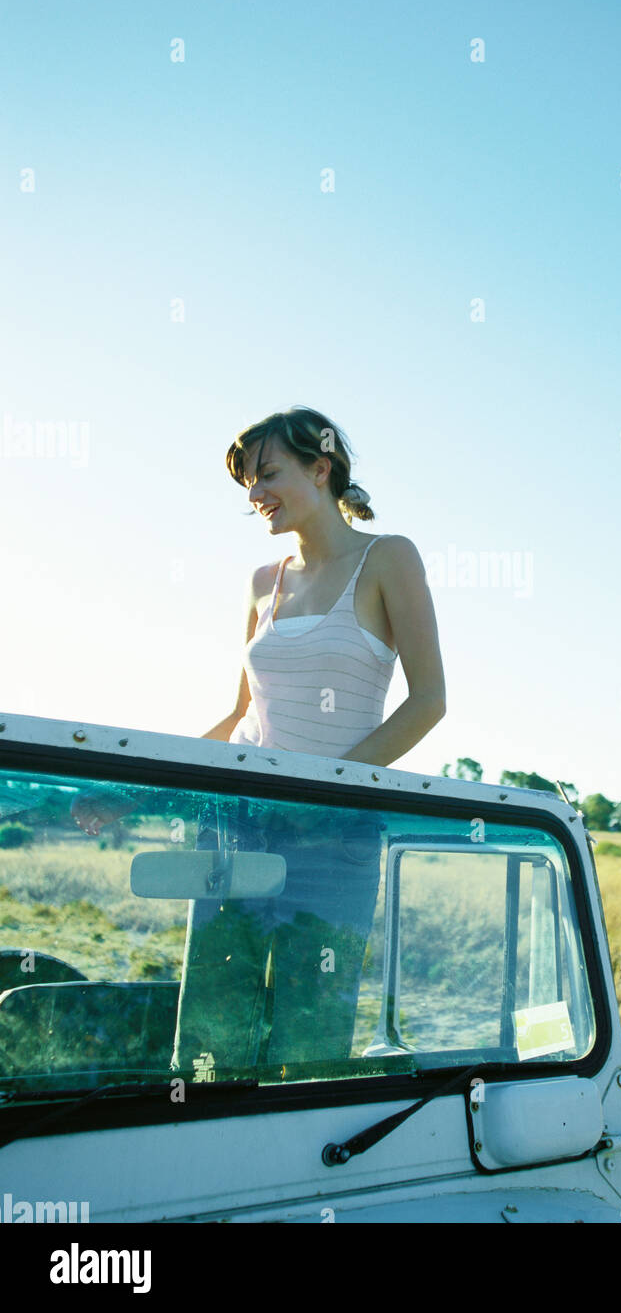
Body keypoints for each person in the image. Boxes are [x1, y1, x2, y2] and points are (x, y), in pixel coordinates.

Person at [76, 406, 446, 1079]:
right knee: (212, 1041)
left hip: (332, 841)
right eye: (247, 481)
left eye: (267, 474)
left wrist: (316, 794)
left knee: (310, 1043)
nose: (254, 495)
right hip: (237, 830)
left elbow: (428, 703)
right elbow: (240, 717)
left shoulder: (388, 558)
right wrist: (137, 789)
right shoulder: (260, 583)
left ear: (320, 468)